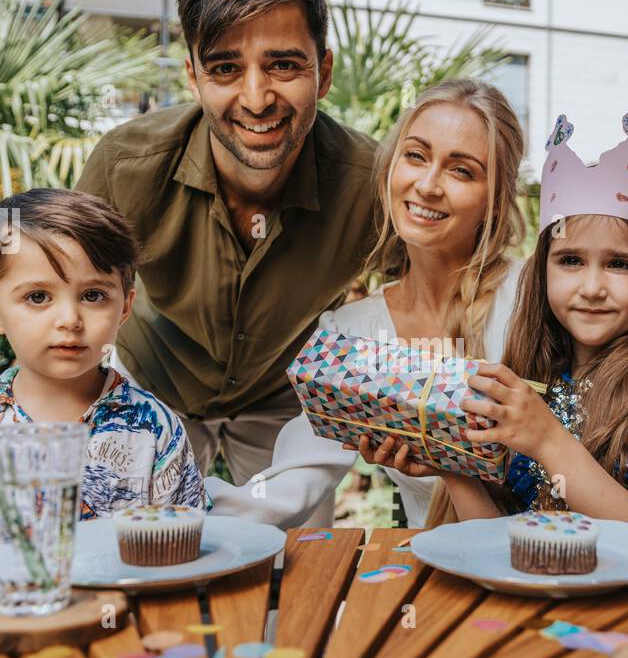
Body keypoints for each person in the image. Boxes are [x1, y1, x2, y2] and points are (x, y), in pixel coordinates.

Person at [370, 102, 628, 525]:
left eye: (620, 264)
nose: (592, 288)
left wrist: (548, 440)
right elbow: (497, 540)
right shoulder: (535, 376)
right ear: (542, 273)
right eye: (571, 261)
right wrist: (453, 466)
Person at [73, 0, 379, 500]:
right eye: (225, 68)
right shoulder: (124, 166)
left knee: (294, 566)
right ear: (193, 76)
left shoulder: (372, 183)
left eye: (284, 65)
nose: (257, 98)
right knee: (129, 557)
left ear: (324, 72)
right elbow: (67, 295)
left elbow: (440, 291)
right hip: (149, 382)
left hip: (283, 397)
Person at [203, 79, 528, 529]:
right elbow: (291, 484)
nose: (428, 185)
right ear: (390, 168)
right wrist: (175, 509)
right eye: (416, 156)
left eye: (461, 171)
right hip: (434, 577)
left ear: (495, 199)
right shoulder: (353, 334)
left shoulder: (532, 298)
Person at [0, 189, 206, 552]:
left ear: (126, 306)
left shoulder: (157, 430)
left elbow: (184, 552)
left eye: (94, 295)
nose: (69, 320)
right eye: (38, 297)